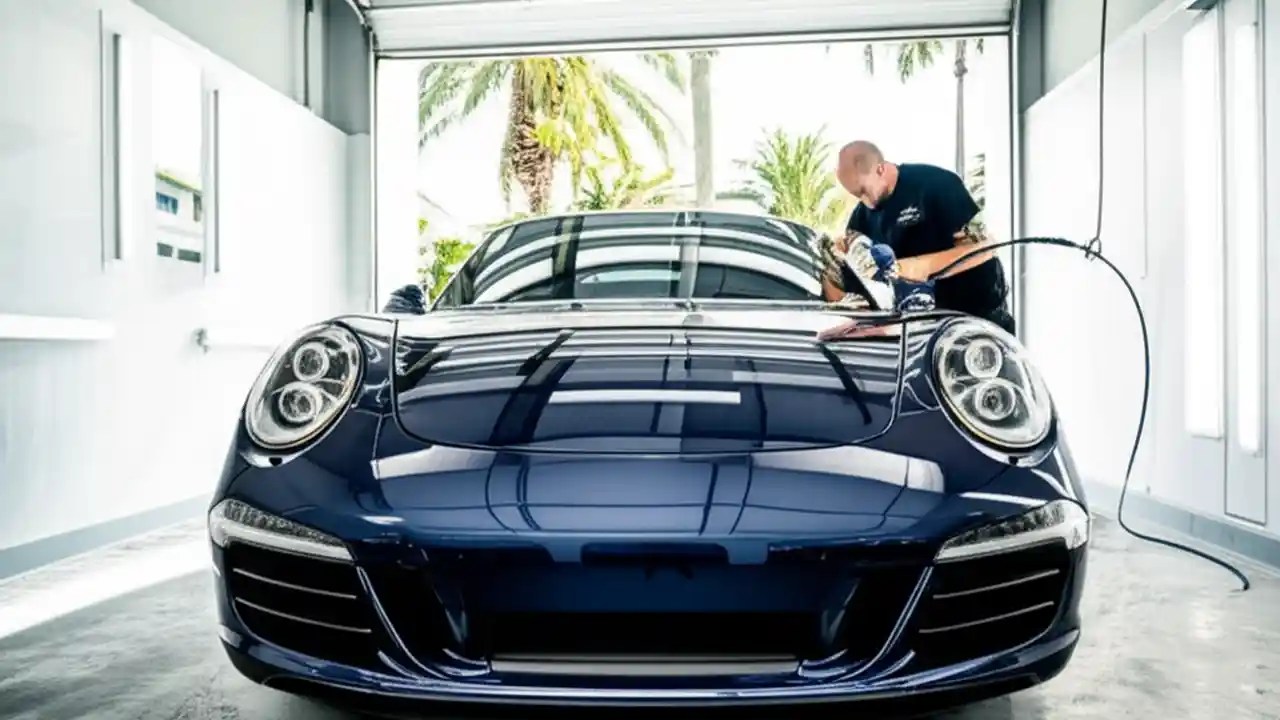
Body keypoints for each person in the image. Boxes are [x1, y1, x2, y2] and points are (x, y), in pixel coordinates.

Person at [832, 140, 1015, 335]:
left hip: (978, 315)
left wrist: (921, 267)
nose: (864, 201)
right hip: (921, 327)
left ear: (880, 169)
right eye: (856, 195)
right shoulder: (861, 218)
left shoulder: (938, 185)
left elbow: (985, 249)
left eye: (864, 191)